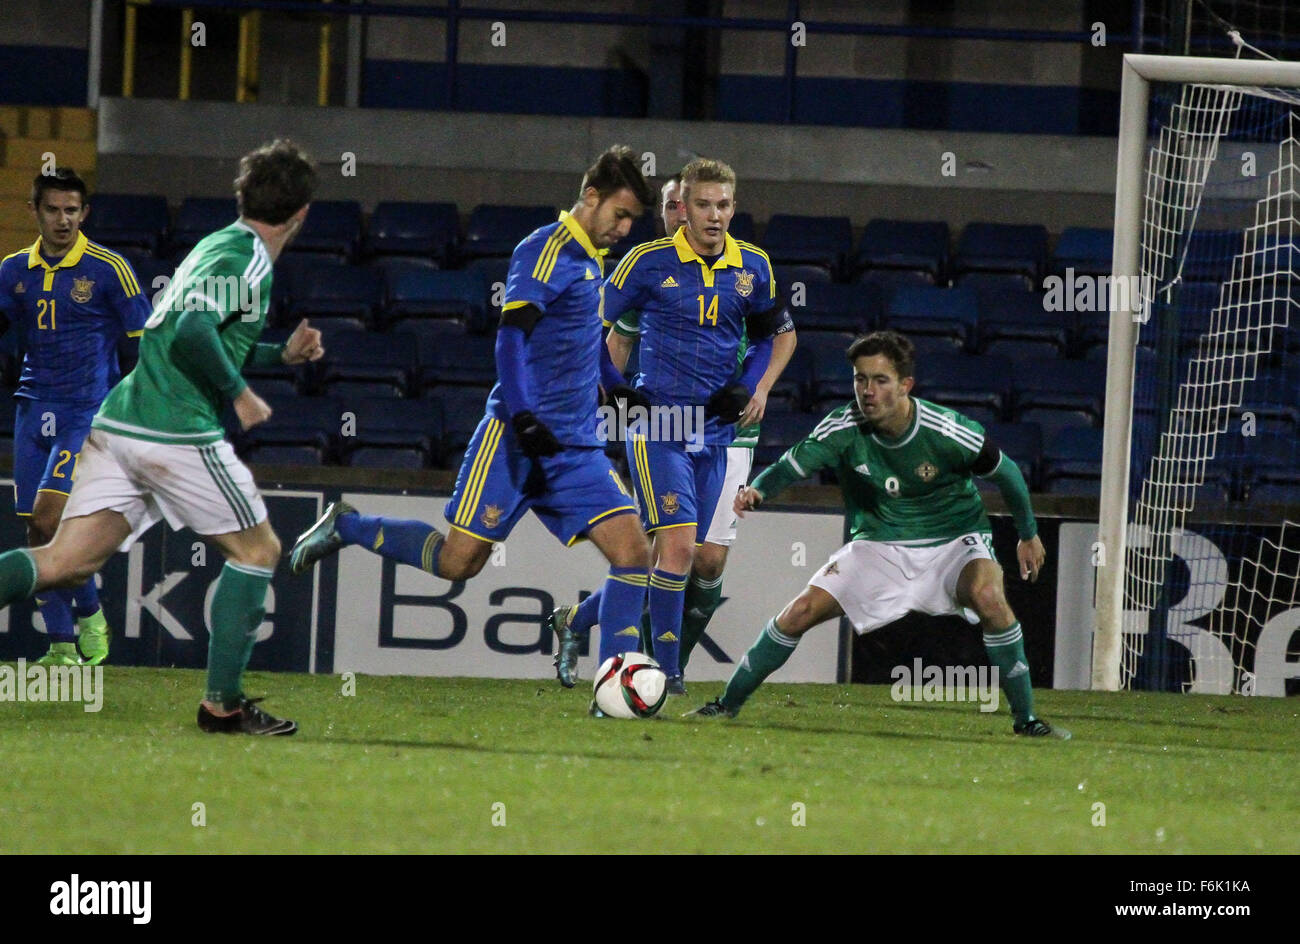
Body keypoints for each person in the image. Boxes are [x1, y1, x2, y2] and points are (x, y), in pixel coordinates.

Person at [289, 146, 659, 682]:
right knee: (457, 564)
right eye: (620, 214)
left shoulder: (591, 261)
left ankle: (615, 680)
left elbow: (587, 340)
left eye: (631, 220)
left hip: (575, 448)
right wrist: (525, 416)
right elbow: (511, 339)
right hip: (513, 439)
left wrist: (616, 388)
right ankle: (350, 526)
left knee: (633, 553)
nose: (625, 228)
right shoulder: (545, 250)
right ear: (591, 196)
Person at [0, 139, 323, 735]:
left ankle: (222, 704)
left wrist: (282, 354)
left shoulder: (214, 246)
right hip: (173, 431)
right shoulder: (248, 259)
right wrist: (241, 394)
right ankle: (221, 706)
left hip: (119, 423)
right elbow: (197, 330)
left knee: (64, 562)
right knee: (259, 552)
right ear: (301, 215)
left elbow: (182, 331)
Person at [688, 330, 1068, 738]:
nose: (867, 391)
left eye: (880, 380)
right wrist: (759, 489)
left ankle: (1026, 720)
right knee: (797, 614)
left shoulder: (947, 430)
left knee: (991, 598)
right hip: (878, 544)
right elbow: (791, 465)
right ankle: (725, 704)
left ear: (906, 385)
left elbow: (1007, 473)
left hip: (954, 541)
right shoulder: (843, 425)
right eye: (859, 379)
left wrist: (1028, 534)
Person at [552, 158, 785, 694]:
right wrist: (615, 385)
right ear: (683, 208)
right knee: (678, 550)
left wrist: (750, 383)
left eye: (724, 205)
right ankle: (668, 675)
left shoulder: (754, 266)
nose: (714, 215)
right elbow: (593, 325)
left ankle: (576, 620)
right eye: (702, 204)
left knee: (670, 556)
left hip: (717, 433)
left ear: (733, 206)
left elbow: (769, 333)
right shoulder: (646, 262)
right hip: (659, 425)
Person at [0, 167, 151, 667]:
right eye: (53, 210)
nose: (63, 220)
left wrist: (128, 410)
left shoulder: (110, 269)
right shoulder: (12, 271)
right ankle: (64, 644)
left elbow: (145, 347)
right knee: (36, 533)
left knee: (50, 519)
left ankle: (89, 618)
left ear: (84, 213)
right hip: (32, 409)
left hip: (84, 415)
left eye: (72, 210)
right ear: (34, 212)